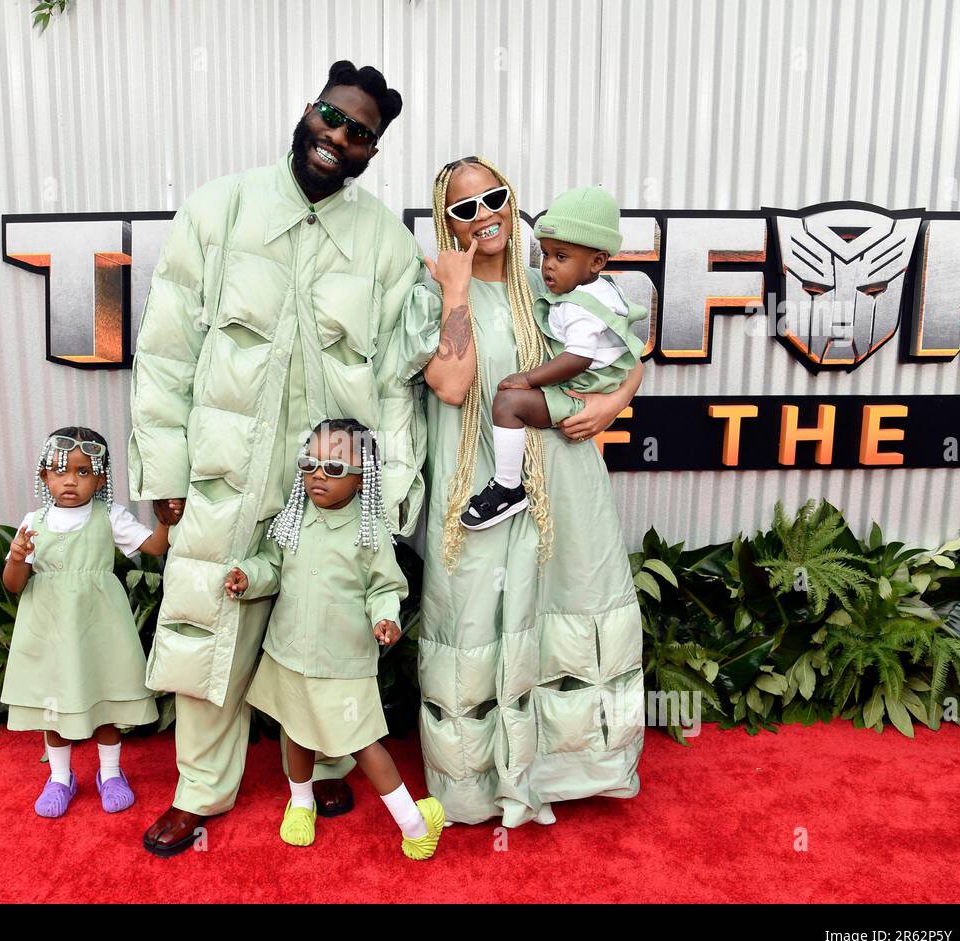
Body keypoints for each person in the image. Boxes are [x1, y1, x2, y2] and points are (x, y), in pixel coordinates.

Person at [128, 62, 425, 857]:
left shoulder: (387, 244)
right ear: (308, 110)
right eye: (331, 117)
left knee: (328, 625)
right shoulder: (219, 208)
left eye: (358, 131)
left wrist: (393, 492)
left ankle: (329, 757)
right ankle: (200, 791)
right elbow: (163, 354)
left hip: (336, 483)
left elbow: (398, 385)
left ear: (372, 148)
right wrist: (162, 473)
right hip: (229, 467)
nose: (337, 137)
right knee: (209, 620)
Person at [400, 157, 647, 828]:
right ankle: (479, 787)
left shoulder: (552, 285)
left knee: (562, 602)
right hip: (473, 488)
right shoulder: (429, 295)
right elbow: (451, 387)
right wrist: (454, 291)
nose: (484, 216)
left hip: (560, 476)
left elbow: (622, 349)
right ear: (445, 220)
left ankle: (562, 773)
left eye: (495, 198)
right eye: (464, 208)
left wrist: (619, 401)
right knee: (474, 616)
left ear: (514, 202)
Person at [225, 419, 445, 859]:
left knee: (361, 741)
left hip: (343, 658)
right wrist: (247, 576)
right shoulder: (292, 519)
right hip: (289, 651)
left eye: (334, 467)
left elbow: (385, 588)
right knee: (297, 730)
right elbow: (272, 568)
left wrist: (386, 618)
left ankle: (415, 823)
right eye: (310, 463)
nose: (318, 475)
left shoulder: (370, 532)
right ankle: (301, 802)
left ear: (364, 475)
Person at [1, 427, 179, 818]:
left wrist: (166, 521)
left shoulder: (109, 516)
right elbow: (14, 586)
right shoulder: (34, 522)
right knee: (54, 705)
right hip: (49, 630)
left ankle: (111, 773)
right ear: (44, 475)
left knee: (104, 701)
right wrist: (16, 558)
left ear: (101, 478)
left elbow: (153, 548)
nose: (70, 481)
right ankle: (60, 778)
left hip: (99, 629)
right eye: (60, 471)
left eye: (84, 472)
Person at [460, 185, 647, 531]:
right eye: (545, 254)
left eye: (561, 257)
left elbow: (580, 358)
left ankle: (507, 486)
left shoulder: (579, 305)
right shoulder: (596, 290)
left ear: (597, 261)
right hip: (577, 403)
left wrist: (529, 379)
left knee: (508, 402)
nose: (547, 266)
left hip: (578, 399)